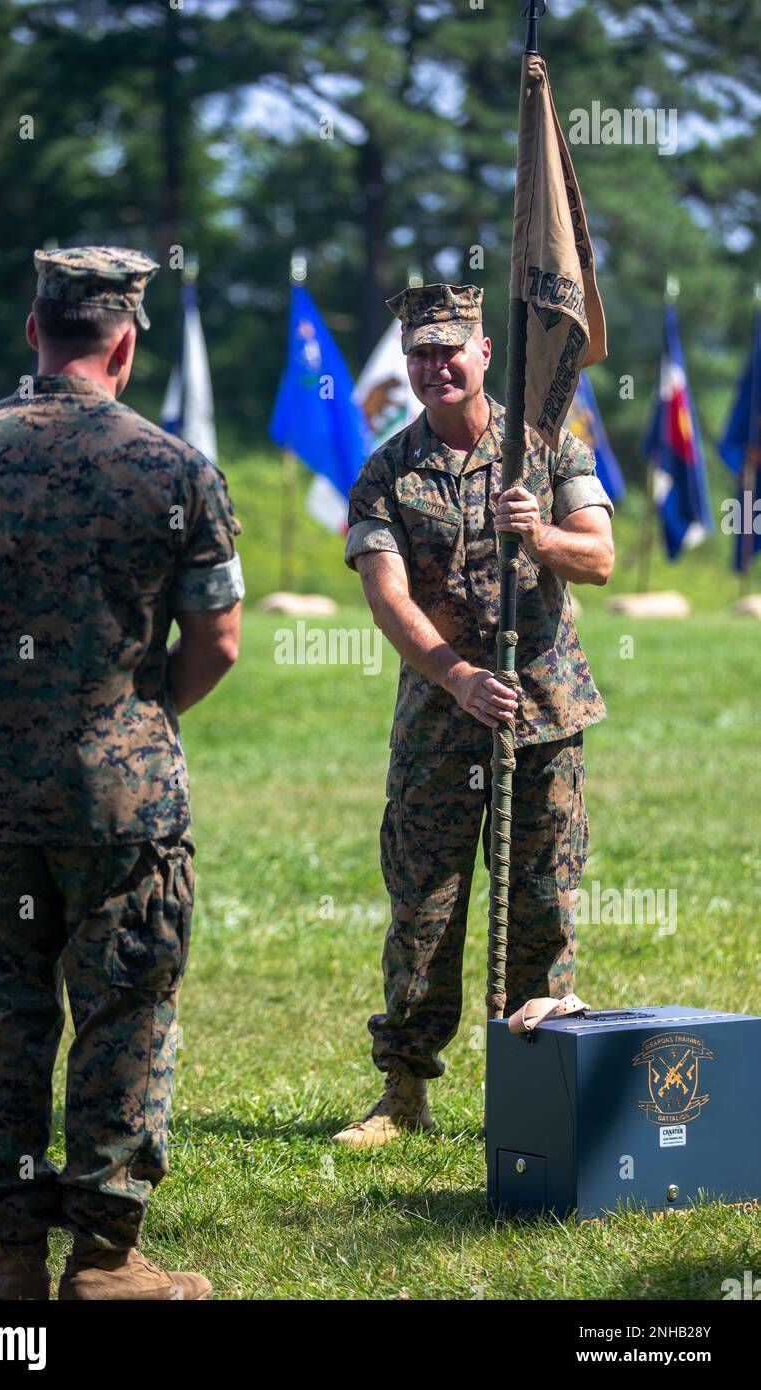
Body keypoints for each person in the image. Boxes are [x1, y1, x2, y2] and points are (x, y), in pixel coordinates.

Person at [0, 246, 244, 1299]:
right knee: (124, 1012)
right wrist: (128, 715)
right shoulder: (174, 467)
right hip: (123, 798)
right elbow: (217, 641)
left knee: (1, 1015)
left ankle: (13, 1259)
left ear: (31, 332)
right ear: (125, 342)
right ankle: (106, 1256)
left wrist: (22, 710)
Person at [333, 283, 614, 1149]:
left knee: (542, 900)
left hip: (543, 713)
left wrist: (540, 537)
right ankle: (404, 1094)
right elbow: (387, 597)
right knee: (425, 904)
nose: (435, 365)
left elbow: (599, 558)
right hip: (440, 723)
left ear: (487, 352)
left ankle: (542, 1088)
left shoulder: (547, 448)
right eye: (420, 353)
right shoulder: (385, 471)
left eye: (451, 349)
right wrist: (455, 677)